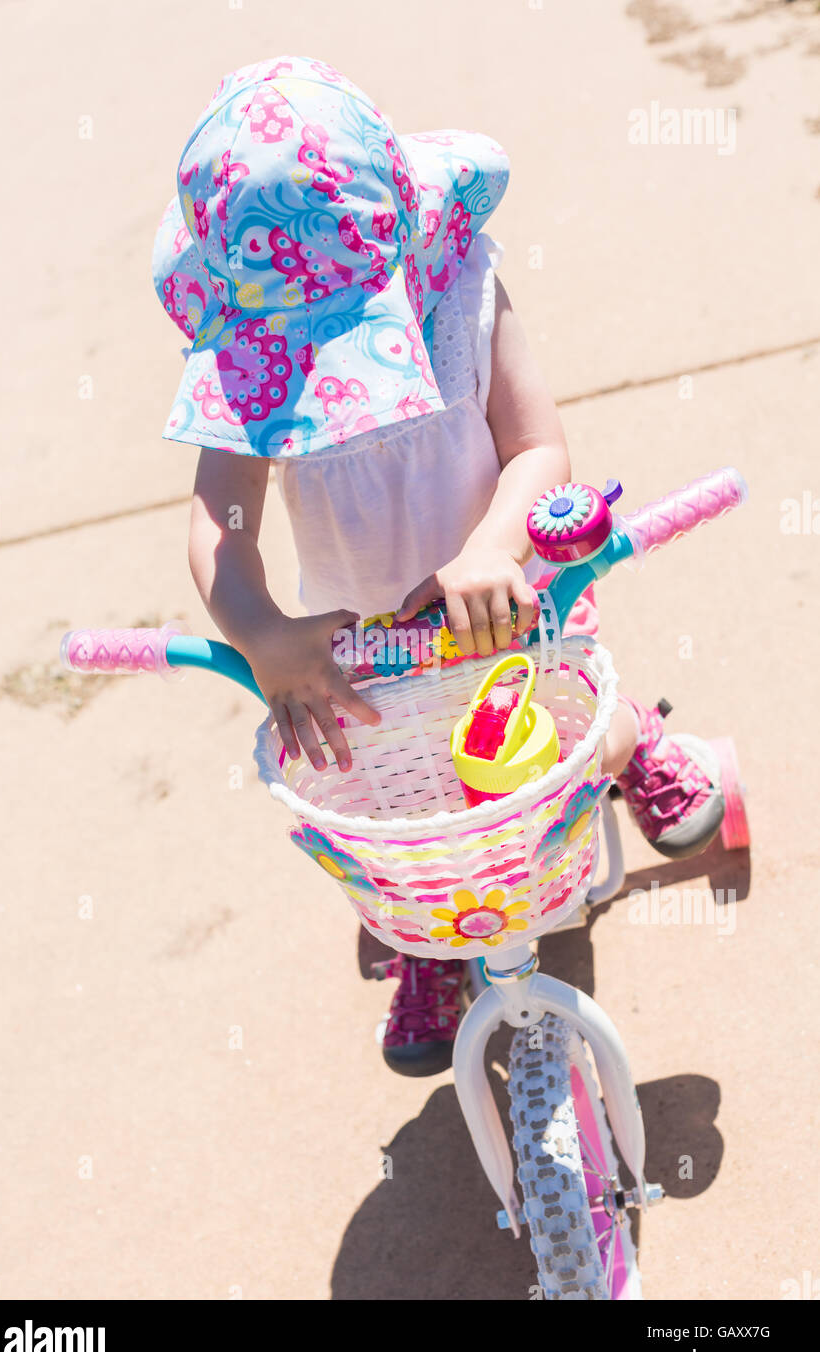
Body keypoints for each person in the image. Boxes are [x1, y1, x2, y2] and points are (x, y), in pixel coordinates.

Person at [155, 55, 724, 1077]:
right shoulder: (256, 348)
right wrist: (260, 630)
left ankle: (631, 745)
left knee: (562, 734)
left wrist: (491, 546)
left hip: (502, 593)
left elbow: (538, 448)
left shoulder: (458, 289)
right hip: (358, 637)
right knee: (394, 811)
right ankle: (436, 939)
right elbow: (220, 522)